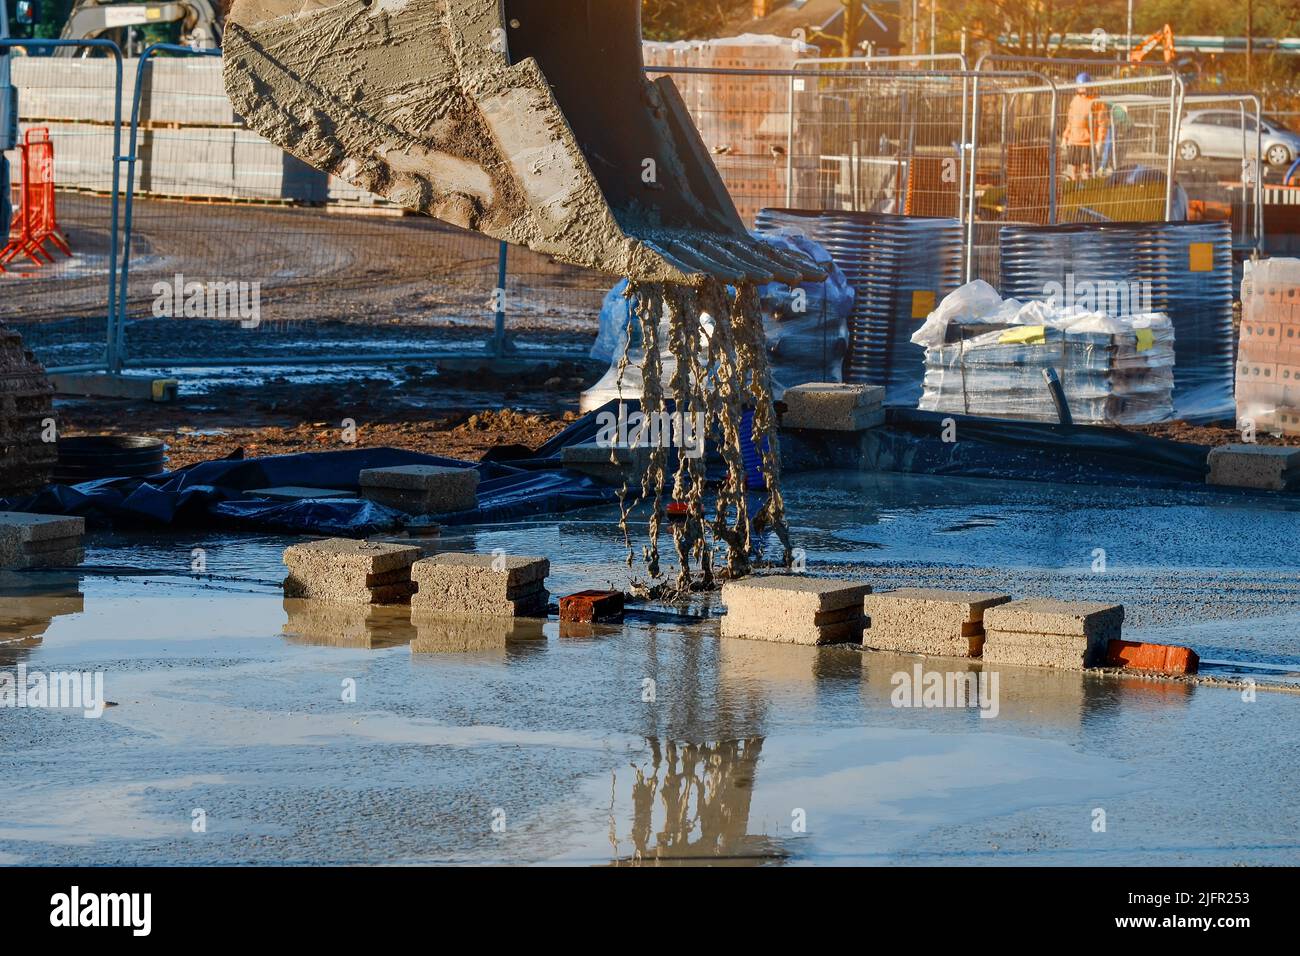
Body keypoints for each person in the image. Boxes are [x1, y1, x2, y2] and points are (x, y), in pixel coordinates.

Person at [1063, 72, 1109, 180]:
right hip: (1074, 140)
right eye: (1080, 86)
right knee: (1074, 169)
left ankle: (1085, 191)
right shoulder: (1075, 100)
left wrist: (1099, 142)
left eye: (1085, 86)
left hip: (1088, 142)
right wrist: (1065, 137)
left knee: (1086, 169)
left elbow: (1102, 123)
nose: (1083, 89)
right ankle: (1074, 190)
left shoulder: (1096, 101)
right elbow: (1070, 121)